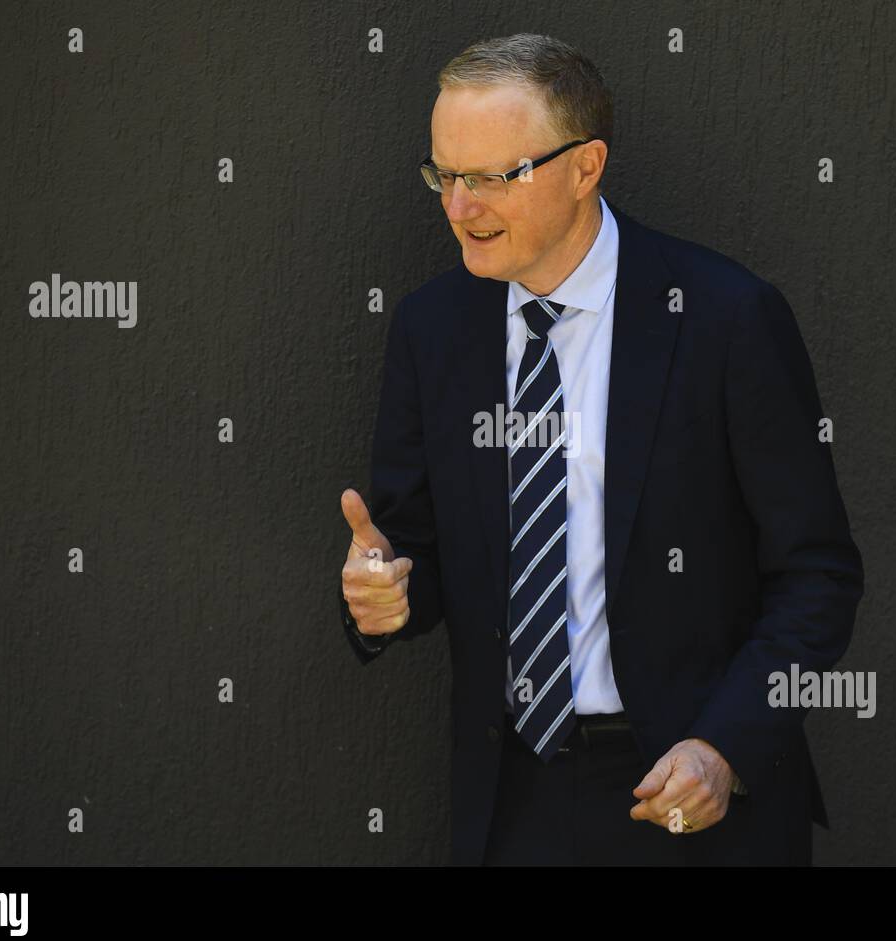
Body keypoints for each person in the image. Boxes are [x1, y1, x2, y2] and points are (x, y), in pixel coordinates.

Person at [338, 33, 864, 865]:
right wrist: (384, 597)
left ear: (586, 168)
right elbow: (413, 551)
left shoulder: (726, 318)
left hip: (690, 790)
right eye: (445, 175)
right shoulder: (430, 329)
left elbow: (817, 572)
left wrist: (723, 748)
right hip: (513, 796)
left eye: (493, 177)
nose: (458, 208)